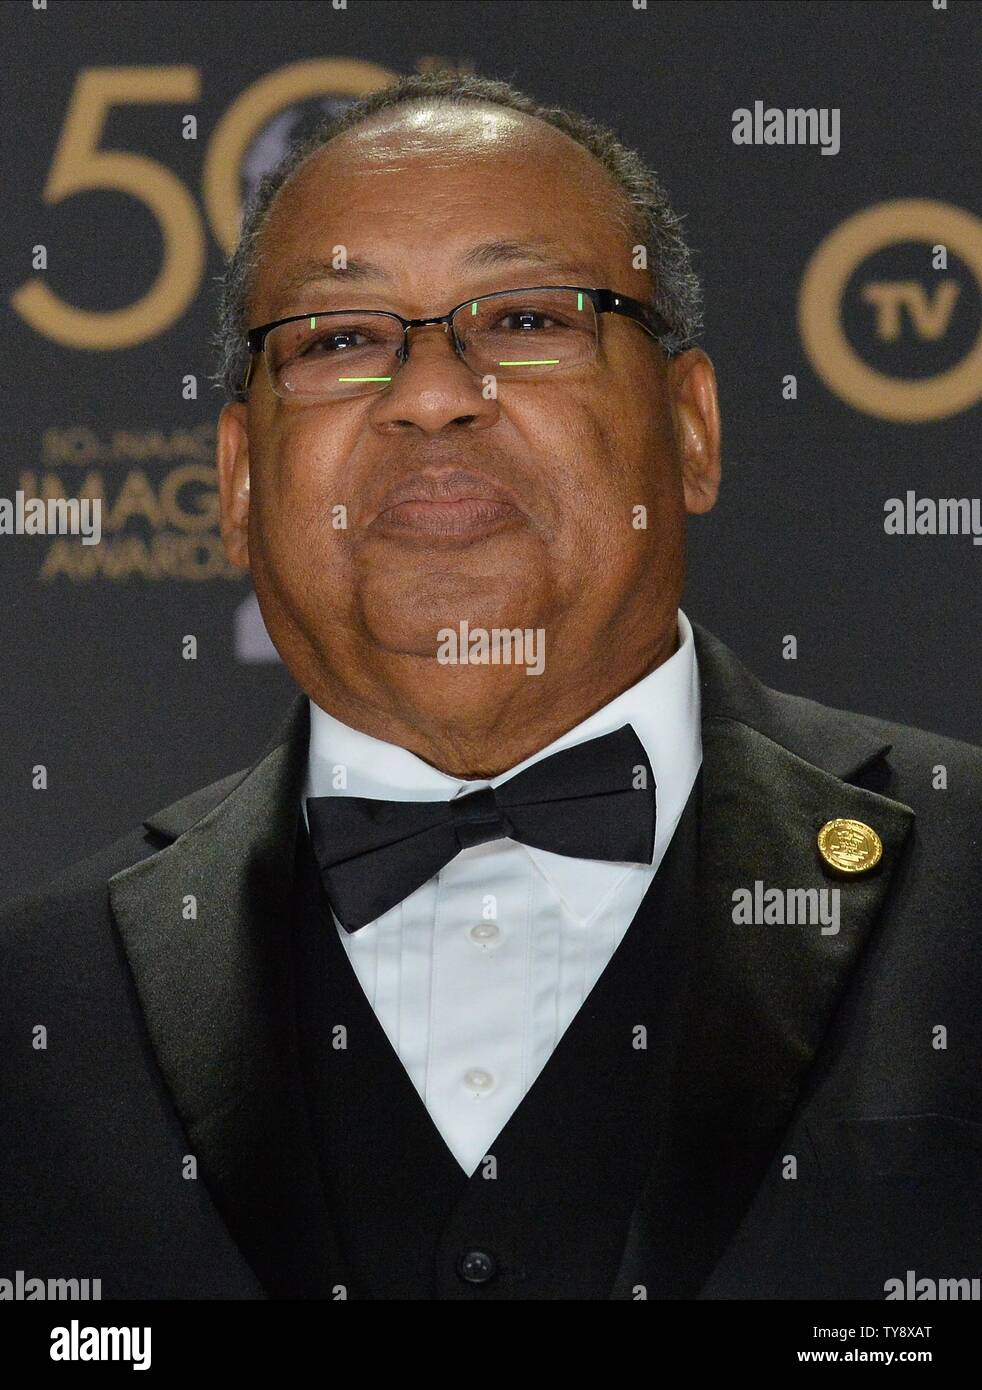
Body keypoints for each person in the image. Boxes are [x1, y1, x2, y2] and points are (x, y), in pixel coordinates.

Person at [2, 73, 980, 1301]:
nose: (428, 396)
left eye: (525, 320)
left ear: (691, 430)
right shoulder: (36, 1002)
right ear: (239, 483)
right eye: (339, 340)